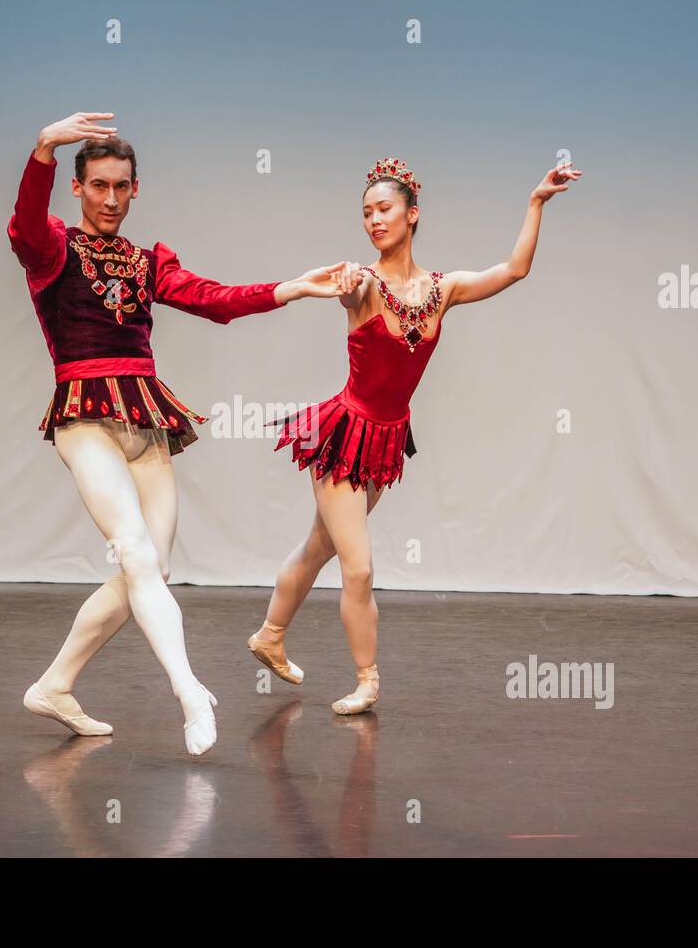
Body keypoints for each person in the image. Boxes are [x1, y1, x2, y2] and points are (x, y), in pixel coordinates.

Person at [8, 111, 344, 755]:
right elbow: (23, 227)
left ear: (136, 189)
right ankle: (191, 691)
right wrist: (44, 150)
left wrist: (292, 288)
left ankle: (54, 685)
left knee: (151, 570)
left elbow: (213, 299)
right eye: (99, 186)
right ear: (77, 188)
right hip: (84, 414)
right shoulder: (52, 248)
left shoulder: (144, 261)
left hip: (146, 419)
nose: (110, 199)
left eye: (122, 187)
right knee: (134, 554)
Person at [250, 155, 583, 715]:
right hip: (344, 434)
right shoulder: (364, 284)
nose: (374, 220)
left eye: (384, 209)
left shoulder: (443, 288)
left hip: (385, 438)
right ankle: (367, 680)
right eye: (366, 213)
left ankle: (270, 635)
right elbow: (351, 296)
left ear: (412, 214)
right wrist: (347, 288)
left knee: (320, 546)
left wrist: (536, 202)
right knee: (358, 566)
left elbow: (514, 270)